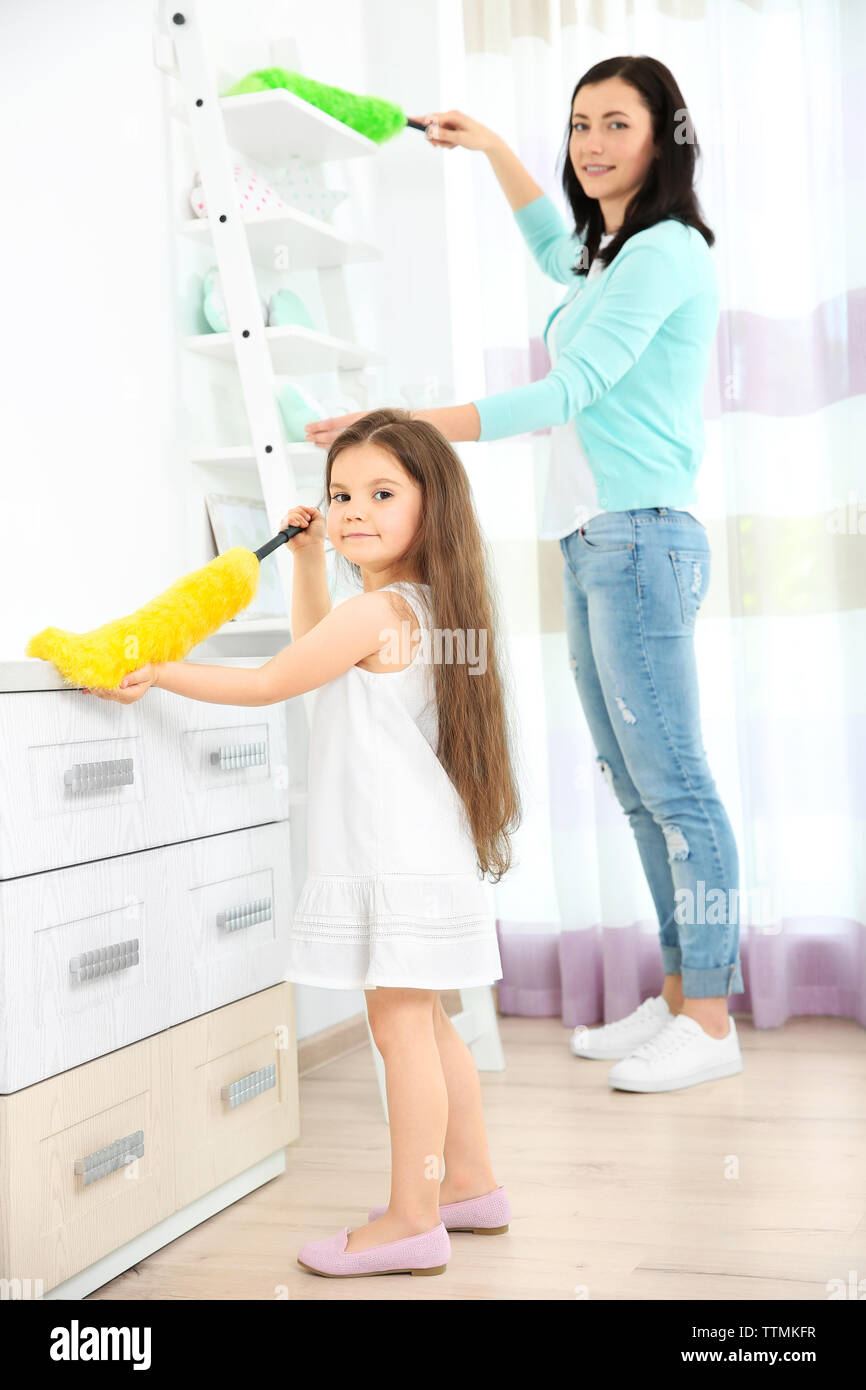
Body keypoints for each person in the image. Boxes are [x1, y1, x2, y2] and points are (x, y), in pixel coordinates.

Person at [308, 56, 744, 1095]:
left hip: (639, 537)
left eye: (616, 124)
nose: (592, 143)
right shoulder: (610, 254)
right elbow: (557, 250)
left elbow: (568, 391)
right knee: (637, 791)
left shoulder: (666, 252)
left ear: (663, 137)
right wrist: (496, 151)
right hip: (598, 541)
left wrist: (402, 425)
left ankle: (710, 1020)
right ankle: (680, 992)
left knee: (674, 786)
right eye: (578, 124)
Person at [83, 409, 521, 1279]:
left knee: (399, 1027)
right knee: (430, 1022)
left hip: (393, 861)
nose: (354, 508)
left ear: (434, 506)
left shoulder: (385, 610)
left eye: (381, 493)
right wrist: (313, 561)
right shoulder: (420, 606)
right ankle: (467, 1184)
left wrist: (161, 668)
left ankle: (411, 1218)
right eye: (341, 493)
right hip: (424, 860)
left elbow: (276, 680)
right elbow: (316, 647)